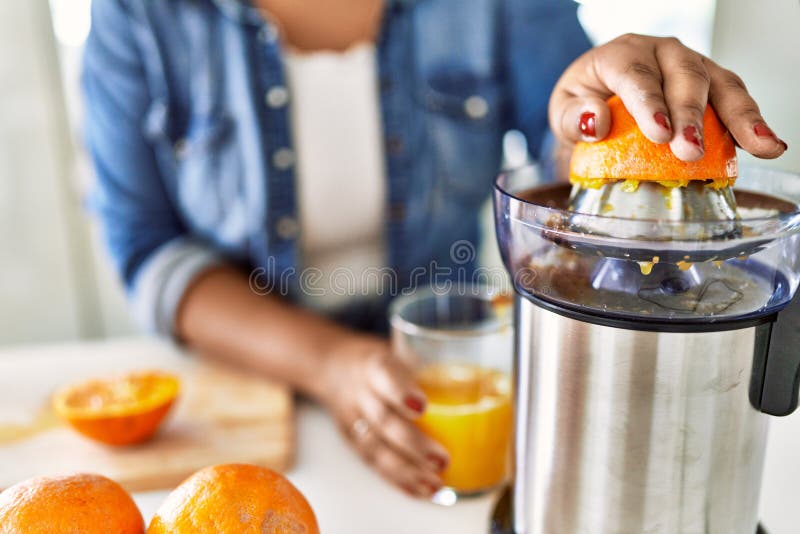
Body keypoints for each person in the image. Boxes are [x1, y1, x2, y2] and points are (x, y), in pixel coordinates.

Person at [82, 0, 787, 498]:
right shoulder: (137, 16)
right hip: (247, 399)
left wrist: (607, 117)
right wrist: (334, 366)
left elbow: (571, 155)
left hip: (450, 369)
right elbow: (148, 248)